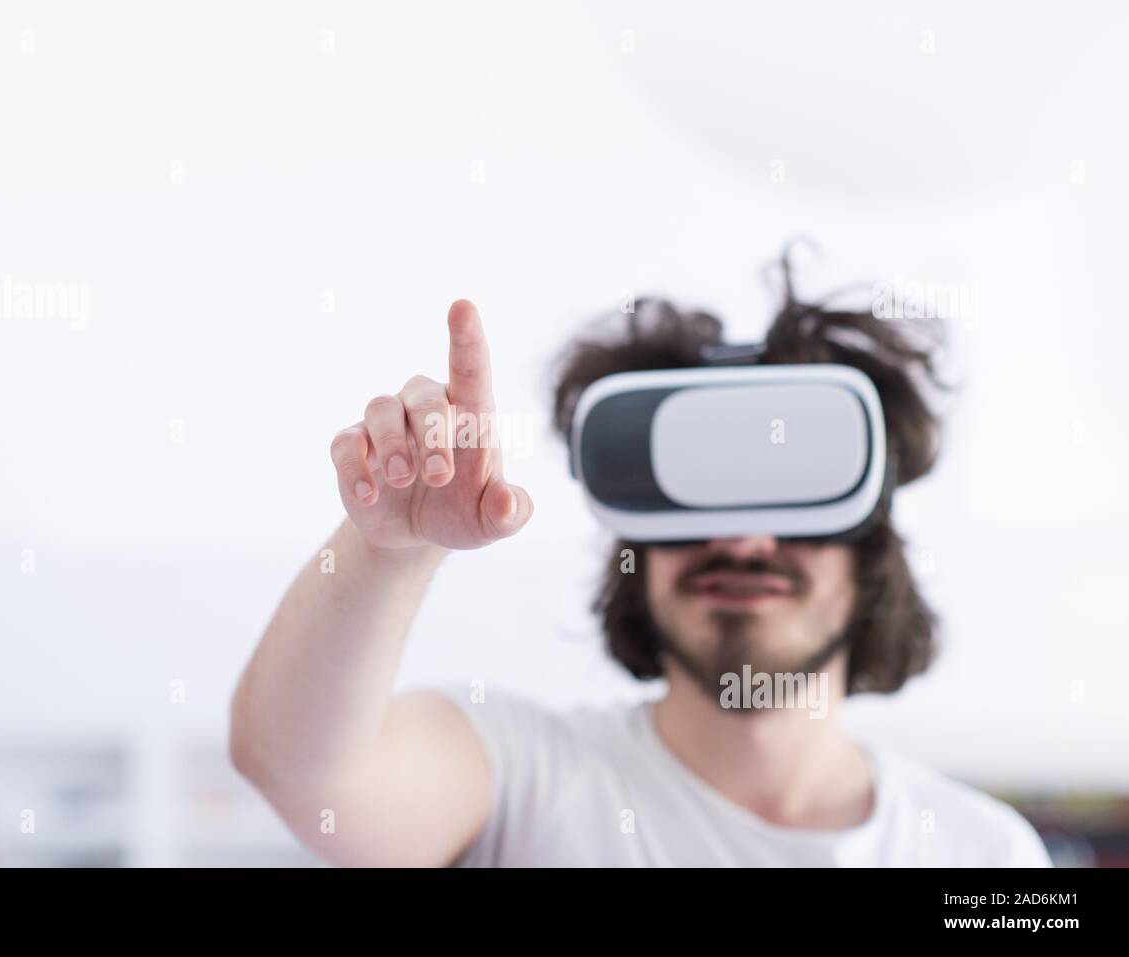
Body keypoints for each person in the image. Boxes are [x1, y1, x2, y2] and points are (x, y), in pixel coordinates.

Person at [229, 260, 1052, 867]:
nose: (741, 541)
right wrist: (390, 548)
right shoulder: (525, 780)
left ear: (870, 549)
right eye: (697, 497)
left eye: (789, 495)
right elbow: (301, 767)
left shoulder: (988, 857)